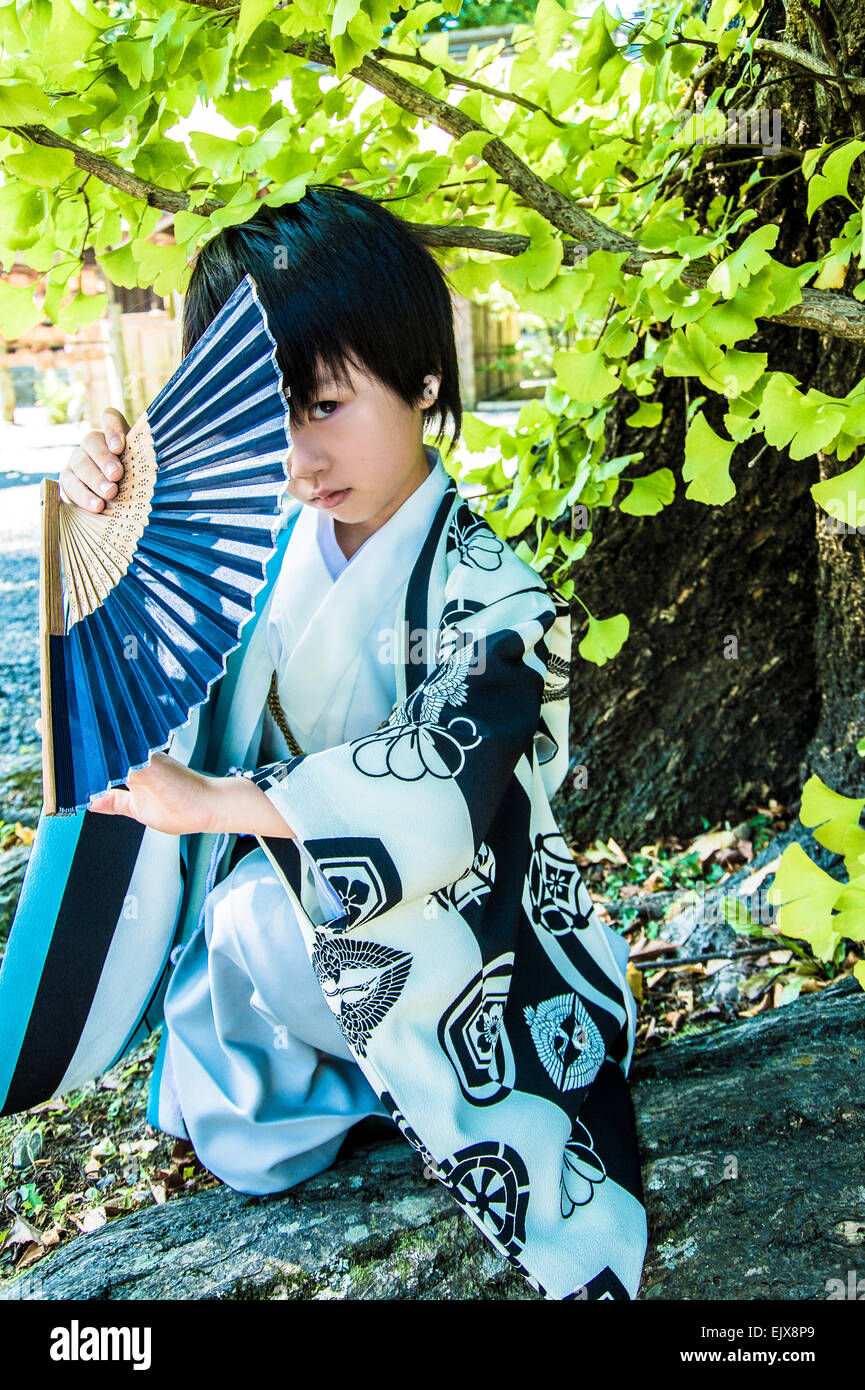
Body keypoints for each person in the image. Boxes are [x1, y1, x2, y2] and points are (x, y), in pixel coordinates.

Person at [7, 185, 647, 1300]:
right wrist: (100, 522)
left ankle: (409, 1079)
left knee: (257, 913)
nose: (299, 460)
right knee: (248, 951)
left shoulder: (497, 595)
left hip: (482, 957)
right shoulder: (252, 553)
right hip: (294, 965)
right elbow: (139, 682)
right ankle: (353, 1079)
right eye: (270, 417)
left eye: (326, 406)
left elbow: (449, 792)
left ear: (425, 380)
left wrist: (224, 804)